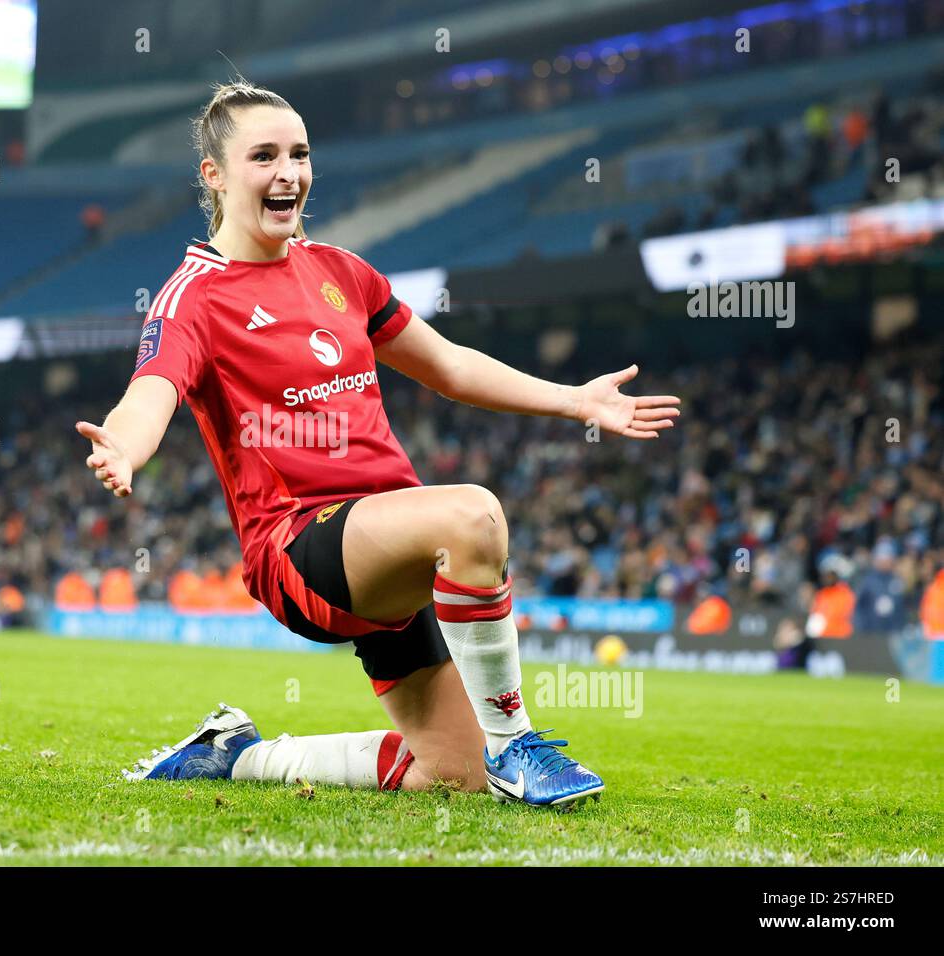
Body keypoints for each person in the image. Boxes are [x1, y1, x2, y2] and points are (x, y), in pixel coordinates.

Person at [77, 81, 681, 808]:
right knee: (473, 517)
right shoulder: (194, 296)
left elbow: (450, 366)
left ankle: (237, 756)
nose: (288, 173)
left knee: (451, 772)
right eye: (263, 156)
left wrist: (574, 400)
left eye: (299, 154)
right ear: (214, 174)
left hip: (386, 545)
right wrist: (124, 444)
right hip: (298, 547)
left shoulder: (340, 271)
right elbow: (155, 391)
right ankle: (518, 746)